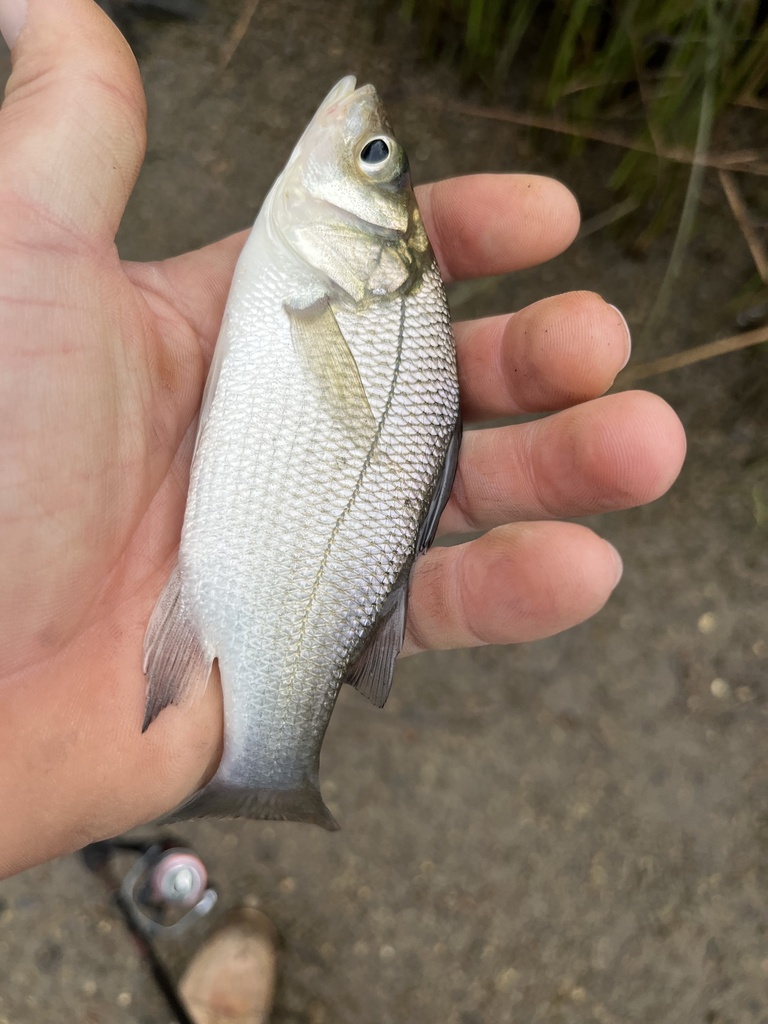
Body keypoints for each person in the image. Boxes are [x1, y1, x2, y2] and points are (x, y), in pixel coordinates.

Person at [0, 3, 686, 1016]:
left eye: (370, 155)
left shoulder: (345, 276)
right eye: (379, 155)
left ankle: (261, 771)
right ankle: (255, 802)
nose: (359, 131)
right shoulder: (339, 275)